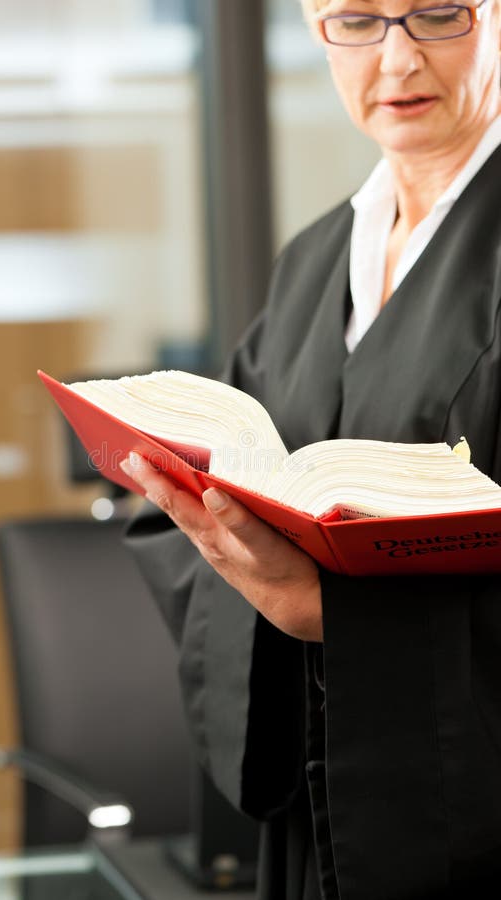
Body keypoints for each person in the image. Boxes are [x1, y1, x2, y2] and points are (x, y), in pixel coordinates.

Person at [120, 0, 501, 894]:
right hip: (314, 816)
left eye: (439, 14)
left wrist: (340, 620)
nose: (397, 60)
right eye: (357, 21)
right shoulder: (315, 258)